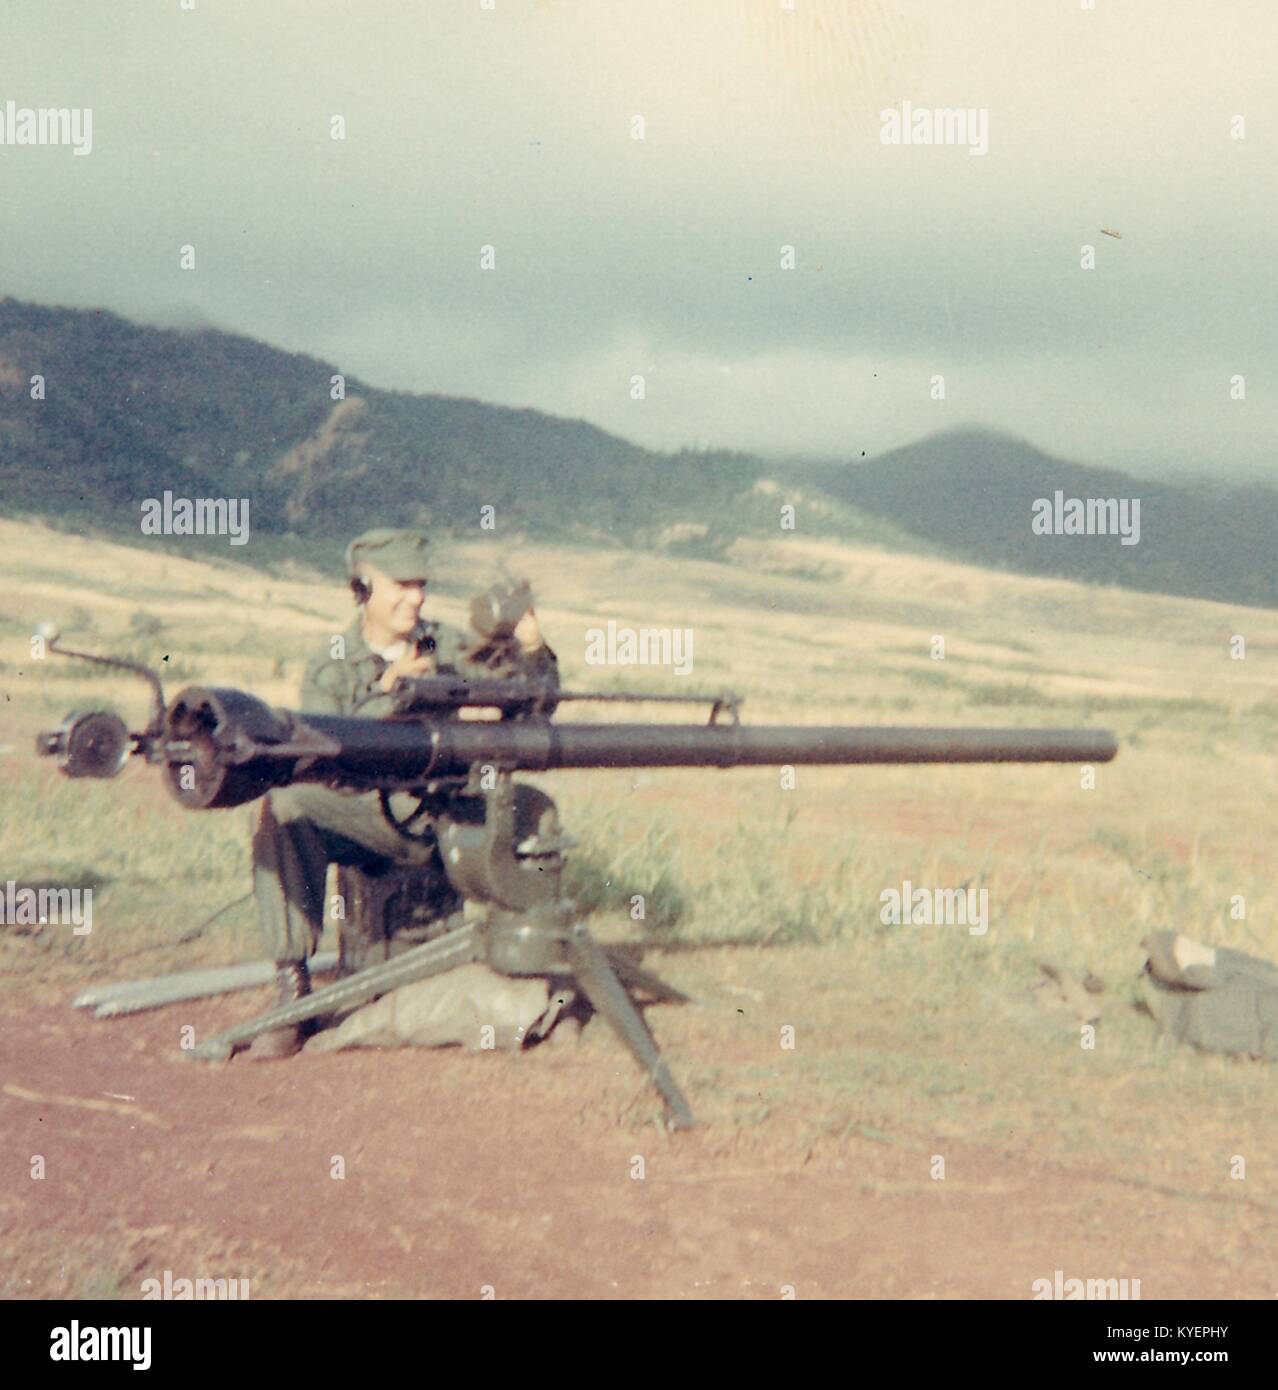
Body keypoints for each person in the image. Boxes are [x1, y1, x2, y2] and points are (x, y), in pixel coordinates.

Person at [247, 527, 558, 1059]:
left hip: (441, 818)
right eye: (402, 585)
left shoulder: (443, 643)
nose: (416, 597)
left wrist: (532, 649)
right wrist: (391, 697)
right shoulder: (333, 662)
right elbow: (326, 752)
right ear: (364, 589)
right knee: (285, 803)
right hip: (367, 819)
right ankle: (291, 989)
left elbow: (534, 707)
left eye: (422, 585)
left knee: (530, 806)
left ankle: (530, 958)